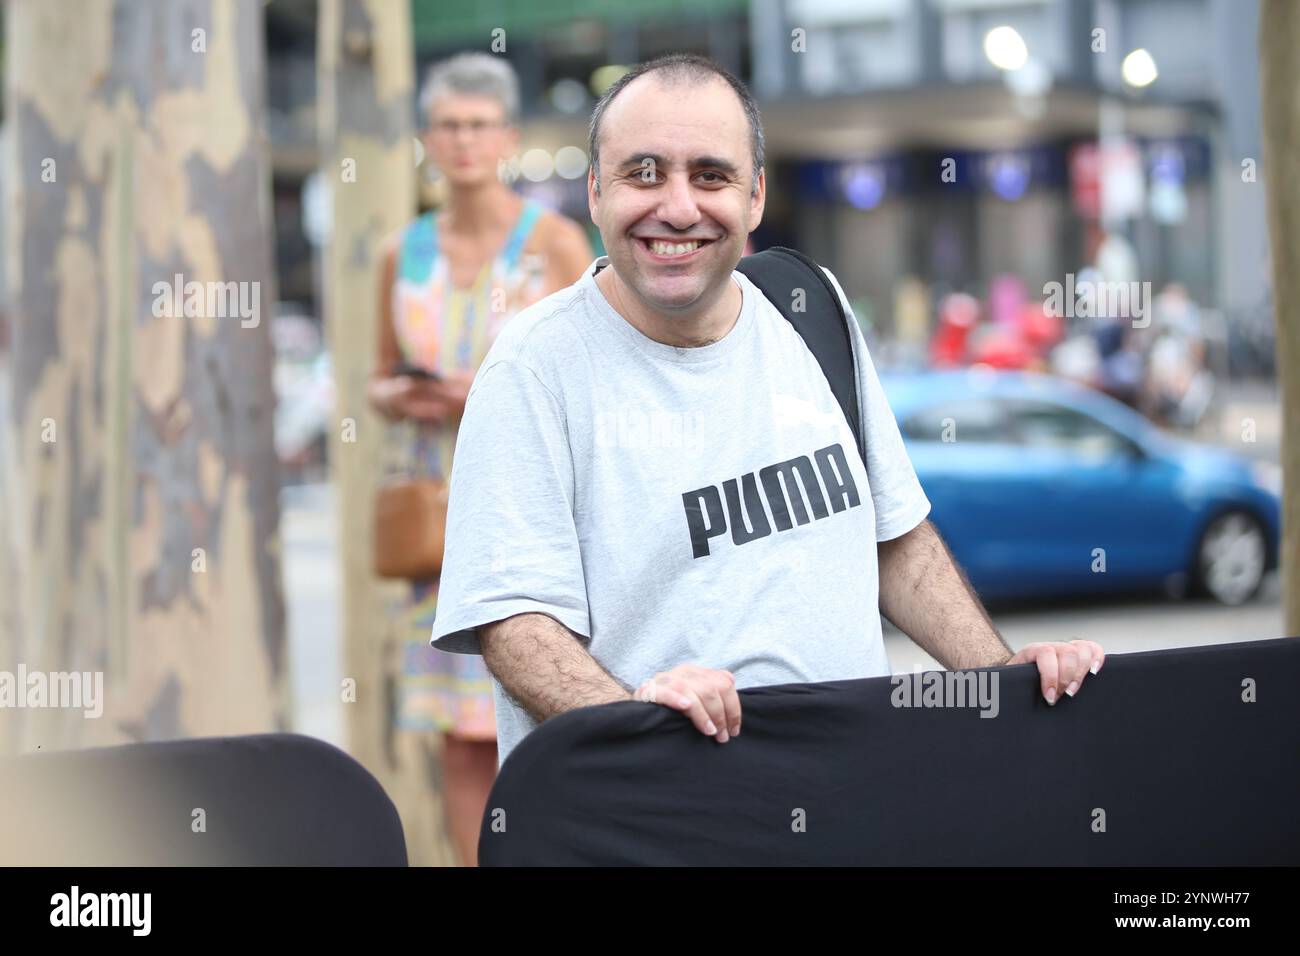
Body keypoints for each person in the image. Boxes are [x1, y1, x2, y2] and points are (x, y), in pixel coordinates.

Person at [429, 53, 1105, 770]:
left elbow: (895, 541)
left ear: (755, 198)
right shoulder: (533, 368)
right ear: (595, 192)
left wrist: (1005, 681)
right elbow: (513, 622)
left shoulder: (809, 306)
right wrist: (639, 725)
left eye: (711, 175)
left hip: (851, 802)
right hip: (658, 822)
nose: (679, 207)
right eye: (644, 173)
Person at [366, 52, 592, 866]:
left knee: (547, 720)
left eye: (478, 124)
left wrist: (492, 391)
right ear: (427, 137)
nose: (463, 141)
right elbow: (375, 373)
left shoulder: (558, 242)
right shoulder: (404, 251)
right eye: (448, 125)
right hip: (439, 523)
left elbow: (595, 370)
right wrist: (395, 395)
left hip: (538, 513)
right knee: (457, 739)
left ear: (508, 136)